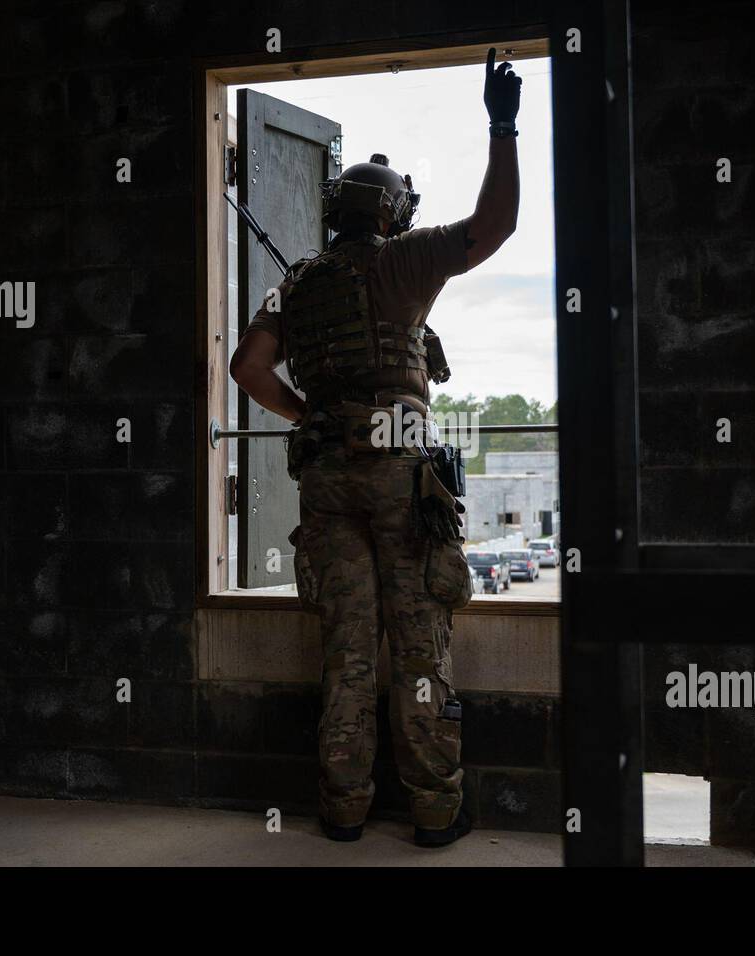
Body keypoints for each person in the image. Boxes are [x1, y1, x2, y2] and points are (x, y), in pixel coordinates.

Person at [229, 48, 521, 847]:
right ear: (391, 210)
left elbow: (246, 369)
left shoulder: (294, 286)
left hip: (327, 480)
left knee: (347, 651)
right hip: (401, 478)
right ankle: (434, 809)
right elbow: (496, 226)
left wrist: (310, 417)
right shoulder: (405, 259)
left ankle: (344, 806)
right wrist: (503, 126)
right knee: (420, 646)